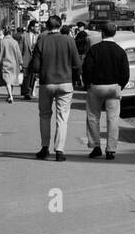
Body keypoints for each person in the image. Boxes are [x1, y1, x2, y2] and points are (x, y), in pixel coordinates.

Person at [28, 13, 82, 160]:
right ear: (60, 25)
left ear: (47, 26)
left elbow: (35, 66)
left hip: (46, 83)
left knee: (44, 115)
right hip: (65, 83)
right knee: (62, 117)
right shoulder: (69, 40)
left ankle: (44, 148)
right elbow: (77, 64)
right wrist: (75, 78)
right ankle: (59, 150)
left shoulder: (42, 41)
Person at [81, 21, 129, 159]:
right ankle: (111, 149)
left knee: (93, 117)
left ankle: (95, 146)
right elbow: (125, 73)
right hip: (113, 87)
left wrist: (87, 84)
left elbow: (87, 69)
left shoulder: (94, 49)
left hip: (96, 87)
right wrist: (120, 85)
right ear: (115, 33)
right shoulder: (120, 51)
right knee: (113, 119)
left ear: (102, 33)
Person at [0, 25, 23, 103]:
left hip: (5, 63)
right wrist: (21, 63)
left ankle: (10, 95)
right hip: (14, 63)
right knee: (11, 80)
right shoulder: (15, 42)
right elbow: (18, 54)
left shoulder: (1, 42)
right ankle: (10, 94)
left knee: (7, 80)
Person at [20, 20, 38, 99]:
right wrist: (20, 62)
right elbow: (20, 49)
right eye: (36, 26)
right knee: (26, 77)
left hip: (35, 61)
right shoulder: (24, 36)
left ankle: (30, 91)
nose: (38, 28)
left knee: (33, 77)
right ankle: (25, 93)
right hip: (26, 60)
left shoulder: (38, 37)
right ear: (32, 27)